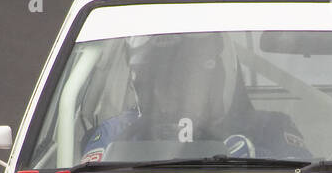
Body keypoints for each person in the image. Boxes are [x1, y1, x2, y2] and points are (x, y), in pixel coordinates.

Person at [80, 32, 309, 162]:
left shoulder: (269, 128)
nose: (173, 90)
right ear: (144, 86)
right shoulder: (116, 132)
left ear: (218, 78)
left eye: (185, 76)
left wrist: (258, 159)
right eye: (160, 79)